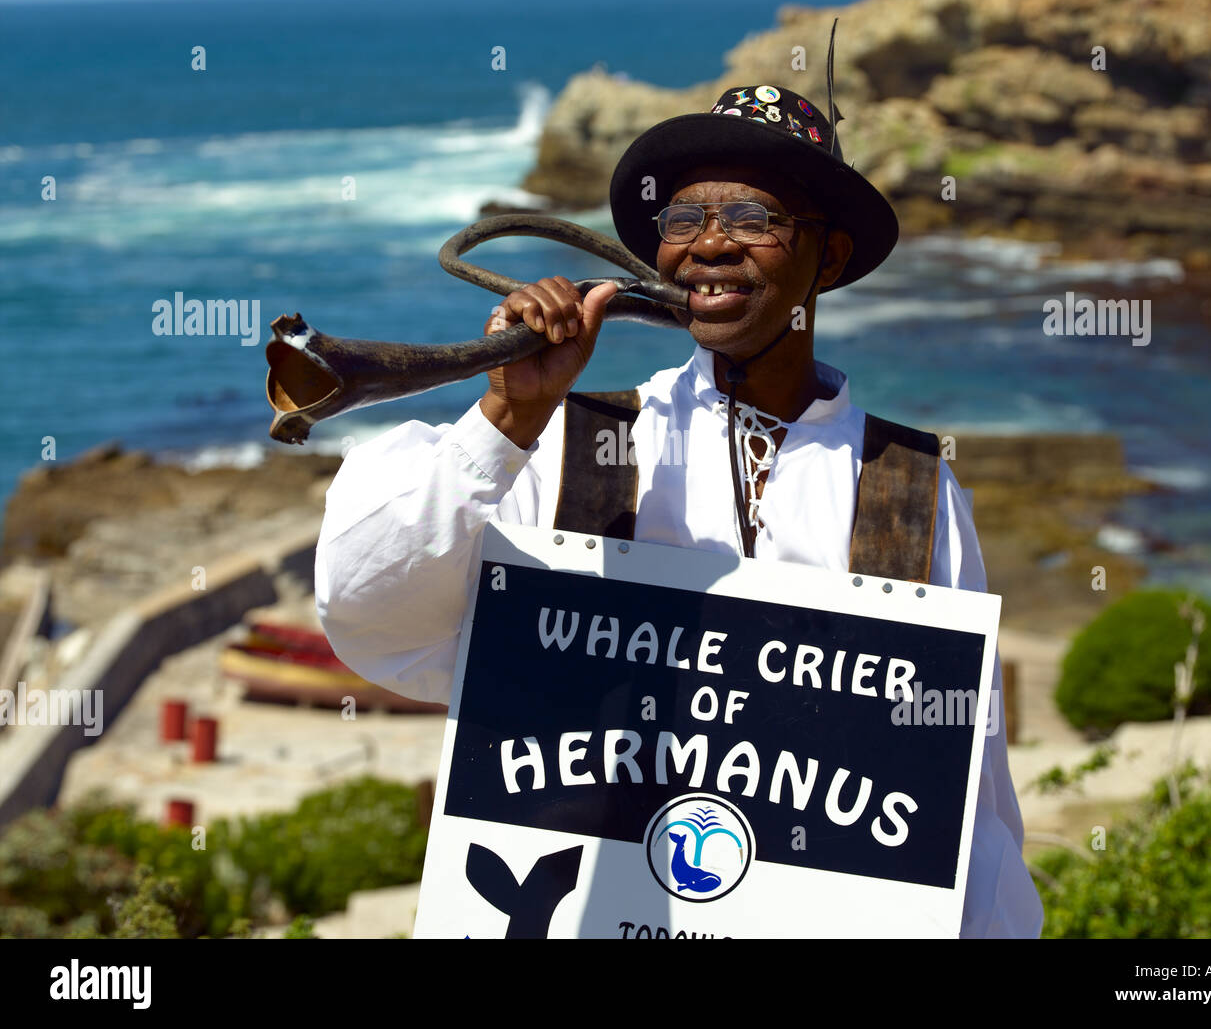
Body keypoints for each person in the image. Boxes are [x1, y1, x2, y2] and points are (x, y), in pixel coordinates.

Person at [314, 80, 1044, 938]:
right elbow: (368, 615)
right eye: (683, 220)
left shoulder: (912, 490)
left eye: (750, 216)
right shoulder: (568, 440)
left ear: (831, 258)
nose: (708, 246)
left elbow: (966, 800)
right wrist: (507, 418)